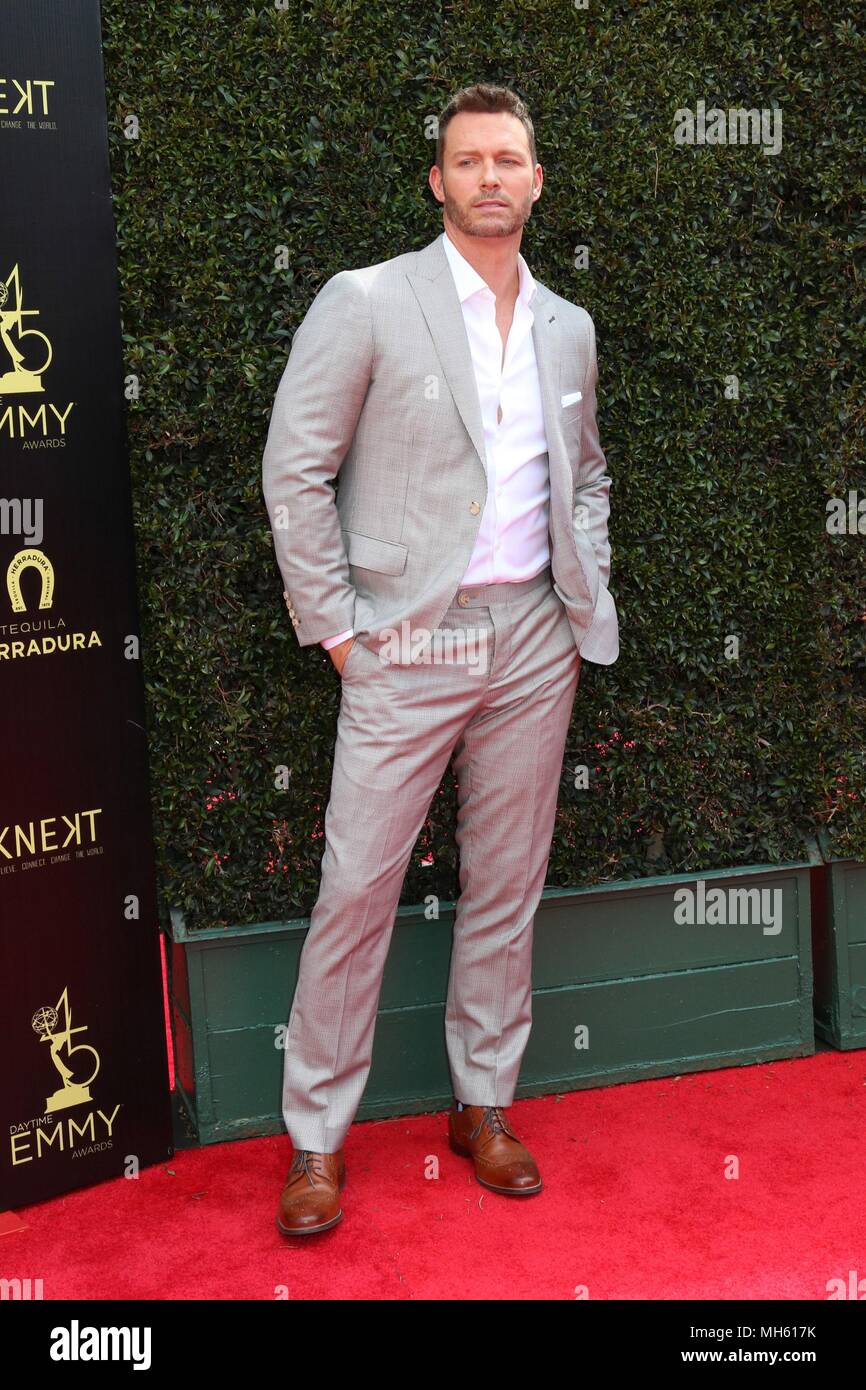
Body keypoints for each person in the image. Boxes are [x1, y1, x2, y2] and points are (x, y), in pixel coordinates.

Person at [261, 82, 619, 1236]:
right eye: (467, 161)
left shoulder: (568, 325)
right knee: (357, 886)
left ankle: (482, 1103)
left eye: (508, 159)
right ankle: (316, 1136)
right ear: (438, 181)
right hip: (405, 636)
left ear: (535, 179)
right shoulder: (366, 300)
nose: (489, 178)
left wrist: (582, 588)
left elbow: (589, 470)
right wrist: (340, 633)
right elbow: (293, 469)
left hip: (532, 637)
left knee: (506, 887)